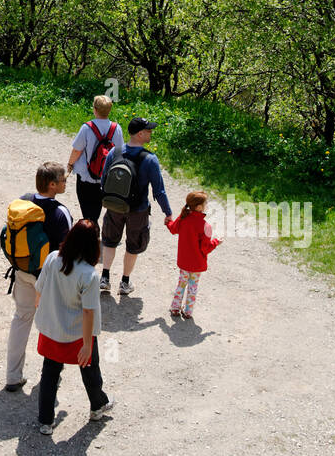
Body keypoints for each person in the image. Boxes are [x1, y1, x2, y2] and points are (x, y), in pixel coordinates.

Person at [34, 219, 115, 434]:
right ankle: (98, 406)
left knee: (49, 374)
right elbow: (88, 311)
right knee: (90, 370)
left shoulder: (53, 258)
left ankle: (45, 421)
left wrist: (42, 314)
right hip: (77, 334)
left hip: (52, 329)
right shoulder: (89, 274)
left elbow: (39, 289)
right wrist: (87, 344)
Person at [4, 162, 72, 393]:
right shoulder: (61, 212)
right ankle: (50, 376)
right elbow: (67, 253)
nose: (65, 183)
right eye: (63, 180)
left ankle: (13, 376)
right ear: (52, 185)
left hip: (22, 271)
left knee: (21, 320)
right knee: (53, 325)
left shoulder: (22, 202)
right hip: (49, 279)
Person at [100, 116, 173, 295]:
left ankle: (105, 277)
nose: (151, 133)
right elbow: (159, 191)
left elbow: (103, 182)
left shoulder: (114, 153)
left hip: (114, 206)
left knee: (110, 241)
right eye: (148, 130)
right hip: (137, 210)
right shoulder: (150, 159)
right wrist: (168, 212)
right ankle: (124, 282)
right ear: (140, 134)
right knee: (133, 246)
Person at [66, 95, 124, 223]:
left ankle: (90, 231)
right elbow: (119, 153)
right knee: (96, 209)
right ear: (109, 110)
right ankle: (93, 228)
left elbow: (77, 150)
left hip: (86, 176)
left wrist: (70, 164)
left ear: (95, 109)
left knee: (87, 210)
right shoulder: (117, 129)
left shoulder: (87, 128)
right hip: (104, 177)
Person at [166, 190, 221, 320]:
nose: (206, 205)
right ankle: (188, 311)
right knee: (193, 287)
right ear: (199, 207)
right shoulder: (205, 226)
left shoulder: (183, 218)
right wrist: (216, 242)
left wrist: (168, 222)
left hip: (184, 262)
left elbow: (173, 229)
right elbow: (206, 248)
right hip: (197, 264)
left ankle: (175, 308)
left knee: (181, 284)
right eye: (205, 203)